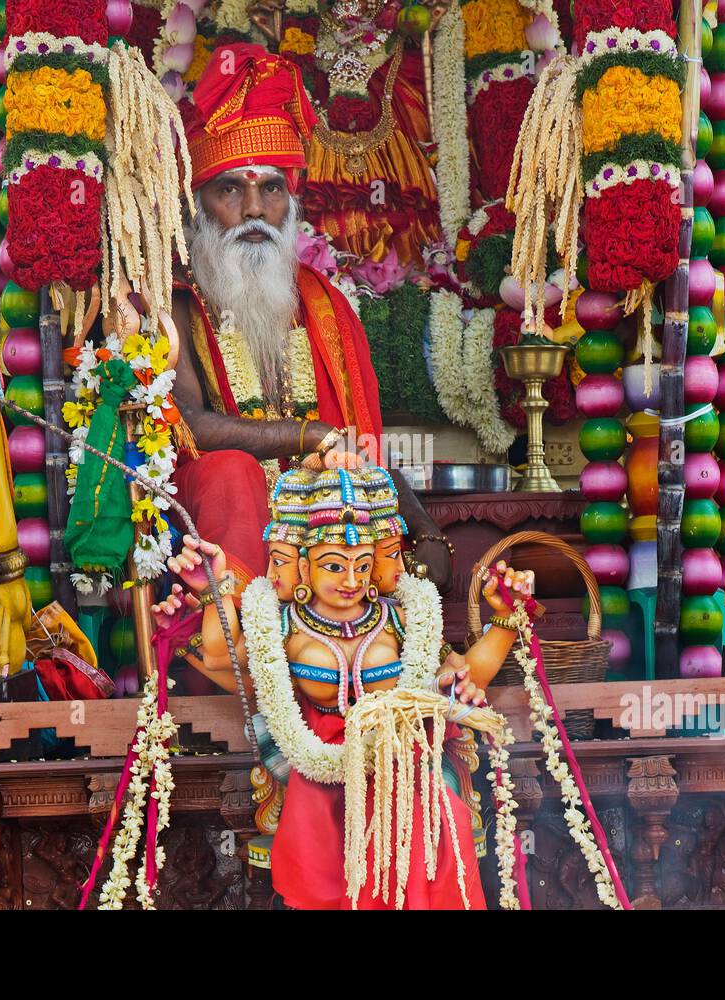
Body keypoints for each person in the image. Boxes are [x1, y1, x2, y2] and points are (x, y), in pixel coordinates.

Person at [164, 466, 534, 909]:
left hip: (401, 762)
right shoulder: (281, 623)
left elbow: (459, 678)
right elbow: (223, 656)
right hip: (321, 767)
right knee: (320, 852)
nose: (351, 581)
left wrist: (506, 622)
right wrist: (215, 591)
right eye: (334, 566)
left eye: (362, 565)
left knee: (436, 822)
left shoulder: (400, 617)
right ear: (302, 564)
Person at [167, 42, 452, 595]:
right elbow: (190, 425)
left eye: (270, 188)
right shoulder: (177, 302)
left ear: (290, 204)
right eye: (231, 189)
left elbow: (358, 444)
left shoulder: (323, 305)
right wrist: (307, 436)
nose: (254, 210)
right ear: (198, 204)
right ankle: (244, 641)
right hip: (212, 529)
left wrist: (423, 527)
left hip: (324, 535)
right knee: (232, 473)